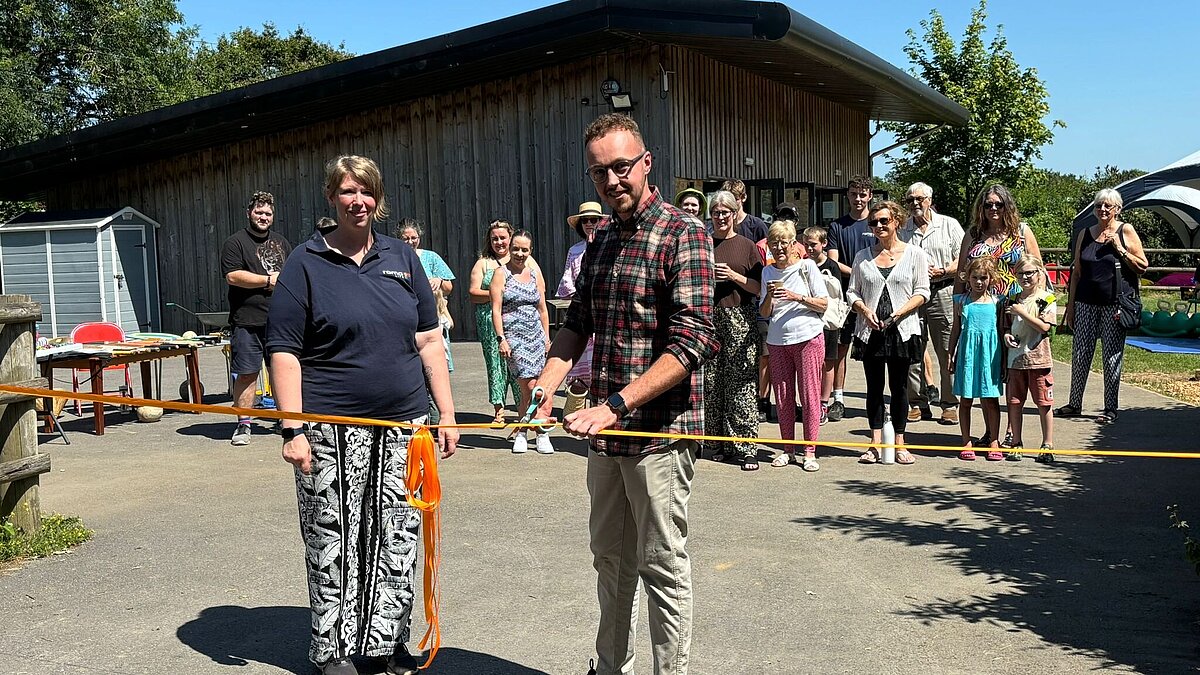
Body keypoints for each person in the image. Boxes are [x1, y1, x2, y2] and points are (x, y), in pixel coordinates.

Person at [533, 113, 717, 675]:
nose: (611, 181)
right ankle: (610, 666)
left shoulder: (685, 234)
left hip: (660, 433)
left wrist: (615, 406)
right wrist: (548, 383)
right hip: (605, 439)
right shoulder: (603, 239)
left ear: (646, 163)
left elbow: (694, 341)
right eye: (598, 173)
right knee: (610, 562)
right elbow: (578, 321)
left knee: (661, 565)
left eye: (620, 167)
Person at [266, 155, 458, 675]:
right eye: (347, 191)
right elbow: (283, 349)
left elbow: (427, 338)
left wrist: (446, 412)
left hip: (403, 427)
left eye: (366, 192)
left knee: (394, 542)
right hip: (329, 429)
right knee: (334, 540)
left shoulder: (402, 257)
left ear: (378, 199)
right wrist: (292, 427)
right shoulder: (304, 263)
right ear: (331, 197)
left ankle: (383, 645)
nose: (358, 201)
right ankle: (332, 651)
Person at [845, 200, 928, 465]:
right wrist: (863, 310)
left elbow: (922, 291)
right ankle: (874, 443)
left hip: (901, 330)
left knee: (900, 386)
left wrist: (899, 314)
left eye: (884, 221)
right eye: (874, 222)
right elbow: (852, 291)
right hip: (871, 331)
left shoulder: (915, 254)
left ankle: (900, 443)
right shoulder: (863, 256)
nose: (879, 226)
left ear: (896, 222)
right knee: (874, 387)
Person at [1058, 188, 1148, 424]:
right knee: (1080, 354)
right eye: (1099, 206)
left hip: (1114, 304)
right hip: (1086, 302)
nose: (1103, 210)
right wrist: (1071, 306)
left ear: (1118, 209)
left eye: (1108, 206)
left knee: (1111, 356)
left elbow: (1142, 265)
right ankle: (1074, 404)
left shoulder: (1125, 230)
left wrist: (1120, 248)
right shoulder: (1085, 233)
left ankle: (1110, 408)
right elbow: (1076, 272)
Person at [221, 190, 292, 446]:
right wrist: (267, 280)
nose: (263, 217)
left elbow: (291, 276)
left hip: (279, 320)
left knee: (283, 372)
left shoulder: (282, 243)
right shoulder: (235, 242)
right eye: (259, 212)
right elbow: (233, 276)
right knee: (247, 374)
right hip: (246, 321)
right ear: (249, 213)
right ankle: (243, 424)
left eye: (268, 213)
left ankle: (287, 421)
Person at [760, 220, 828, 471]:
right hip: (777, 340)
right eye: (773, 243)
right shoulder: (767, 272)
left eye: (783, 243)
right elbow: (765, 313)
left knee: (810, 395)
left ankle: (810, 451)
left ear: (793, 245)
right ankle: (788, 448)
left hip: (807, 337)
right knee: (784, 397)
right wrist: (769, 295)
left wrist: (794, 295)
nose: (778, 248)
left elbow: (823, 304)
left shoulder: (807, 267)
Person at [898, 182, 965, 425]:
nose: (915, 204)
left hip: (943, 292)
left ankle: (949, 404)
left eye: (919, 199)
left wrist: (945, 271)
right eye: (909, 200)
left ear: (929, 199)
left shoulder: (949, 225)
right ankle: (916, 403)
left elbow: (965, 257)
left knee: (947, 349)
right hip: (912, 296)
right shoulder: (902, 229)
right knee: (913, 349)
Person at [705, 190, 764, 470]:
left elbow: (758, 288)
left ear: (734, 214)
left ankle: (746, 444)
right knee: (713, 381)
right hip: (710, 316)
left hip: (740, 316)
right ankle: (717, 442)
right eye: (715, 212)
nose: (720, 217)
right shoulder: (703, 243)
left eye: (725, 212)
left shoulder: (747, 245)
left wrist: (734, 276)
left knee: (741, 382)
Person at [492, 229, 553, 455]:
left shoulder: (535, 274)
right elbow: (496, 310)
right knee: (528, 387)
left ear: (530, 251)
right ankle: (533, 432)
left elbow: (543, 309)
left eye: (524, 249)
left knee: (539, 388)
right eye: (515, 248)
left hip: (536, 336)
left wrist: (547, 338)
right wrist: (502, 339)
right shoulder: (501, 274)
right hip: (514, 337)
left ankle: (527, 431)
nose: (519, 253)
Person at [826, 175, 876, 422]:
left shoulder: (878, 223)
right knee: (840, 348)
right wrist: (860, 272)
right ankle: (838, 398)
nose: (858, 199)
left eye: (863, 194)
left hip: (876, 295)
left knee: (876, 350)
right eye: (854, 194)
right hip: (846, 296)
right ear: (848, 196)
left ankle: (877, 400)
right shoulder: (837, 226)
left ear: (870, 196)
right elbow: (833, 261)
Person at [1003, 254, 1058, 463]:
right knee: (1015, 402)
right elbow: (1008, 326)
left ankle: (1047, 444)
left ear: (1039, 273)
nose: (1025, 277)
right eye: (1021, 274)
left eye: (1030, 273)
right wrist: (1007, 336)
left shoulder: (1047, 298)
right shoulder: (1012, 300)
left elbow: (1044, 327)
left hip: (1039, 359)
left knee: (1044, 402)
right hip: (1016, 360)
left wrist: (1023, 312)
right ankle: (1016, 442)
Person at [949, 257, 1004, 461]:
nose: (979, 282)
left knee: (991, 399)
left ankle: (994, 441)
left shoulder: (997, 302)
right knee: (966, 400)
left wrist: (1005, 360)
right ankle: (966, 441)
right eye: (975, 277)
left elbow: (1000, 329)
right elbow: (955, 330)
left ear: (991, 279)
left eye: (984, 278)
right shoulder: (961, 301)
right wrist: (950, 354)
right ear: (967, 278)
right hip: (967, 355)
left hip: (990, 356)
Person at [468, 219, 521, 423]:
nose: (499, 242)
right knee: (495, 364)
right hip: (489, 321)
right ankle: (499, 410)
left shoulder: (521, 259)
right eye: (494, 239)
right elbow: (473, 293)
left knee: (518, 363)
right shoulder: (483, 263)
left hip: (515, 321)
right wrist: (496, 294)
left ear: (510, 238)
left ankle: (522, 407)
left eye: (502, 238)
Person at [558, 201, 604, 415]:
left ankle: (600, 416)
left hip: (604, 316)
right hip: (582, 314)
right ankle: (572, 415)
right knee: (579, 373)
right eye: (585, 220)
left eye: (594, 219)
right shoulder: (575, 251)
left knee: (603, 373)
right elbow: (567, 281)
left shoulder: (607, 245)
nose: (589, 224)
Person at [396, 217, 456, 371]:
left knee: (437, 365)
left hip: (433, 317)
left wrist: (439, 281)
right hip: (407, 317)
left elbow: (449, 287)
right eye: (405, 238)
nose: (410, 242)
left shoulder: (431, 257)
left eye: (413, 238)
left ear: (419, 237)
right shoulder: (394, 257)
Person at [800, 226, 844, 426]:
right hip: (808, 320)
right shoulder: (801, 265)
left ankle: (824, 402)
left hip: (828, 321)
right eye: (806, 244)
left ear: (824, 244)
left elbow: (837, 295)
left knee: (828, 361)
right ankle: (811, 403)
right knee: (810, 364)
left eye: (813, 245)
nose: (809, 248)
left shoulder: (831, 266)